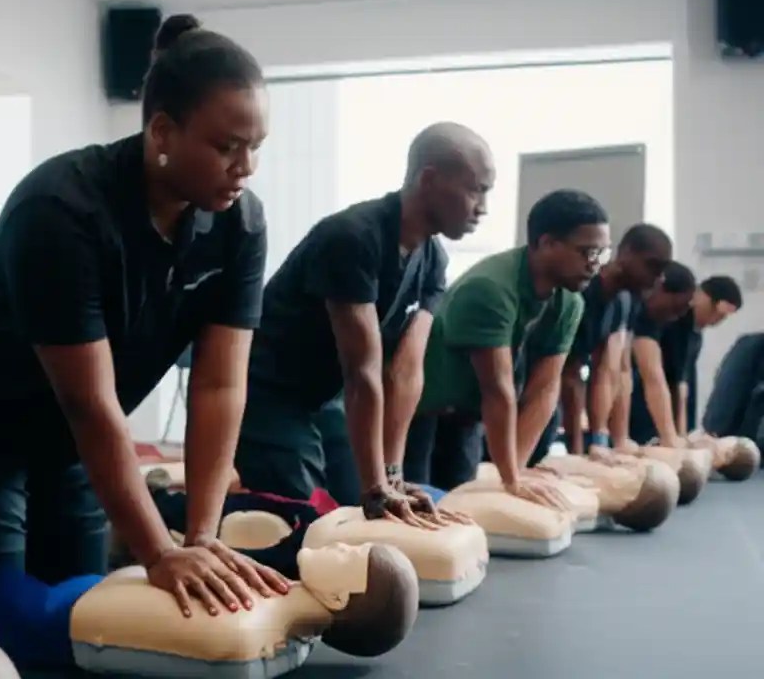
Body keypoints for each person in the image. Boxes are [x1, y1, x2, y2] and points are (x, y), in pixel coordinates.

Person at [0, 14, 291, 618]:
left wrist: (200, 537)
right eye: (226, 146)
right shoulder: (62, 209)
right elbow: (91, 404)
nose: (246, 167)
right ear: (162, 131)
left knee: (79, 605)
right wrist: (158, 552)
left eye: (255, 146)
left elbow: (218, 383)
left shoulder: (241, 223)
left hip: (67, 434)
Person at [232, 122, 493, 525]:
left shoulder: (433, 260)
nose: (483, 207)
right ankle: (172, 509)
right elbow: (364, 372)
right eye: (476, 189)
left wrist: (392, 476)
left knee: (358, 507)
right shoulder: (353, 238)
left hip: (325, 399)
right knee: (310, 519)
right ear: (429, 180)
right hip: (266, 393)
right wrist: (376, 489)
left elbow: (406, 372)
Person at [404, 189, 610, 507]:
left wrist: (516, 473)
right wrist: (511, 478)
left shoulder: (570, 302)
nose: (594, 265)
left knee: (466, 512)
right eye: (586, 252)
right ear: (546, 243)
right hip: (417, 415)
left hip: (467, 418)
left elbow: (545, 388)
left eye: (601, 253)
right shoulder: (490, 289)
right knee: (415, 512)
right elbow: (497, 389)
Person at [559, 224, 672, 455]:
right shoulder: (584, 293)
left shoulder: (624, 301)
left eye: (663, 270)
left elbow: (609, 370)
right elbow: (569, 375)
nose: (659, 278)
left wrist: (605, 440)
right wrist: (577, 453)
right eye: (653, 266)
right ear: (626, 253)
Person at [622, 266, 735, 447]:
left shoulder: (692, 332)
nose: (716, 321)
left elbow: (682, 384)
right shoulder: (670, 320)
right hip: (642, 405)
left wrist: (679, 436)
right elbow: (659, 379)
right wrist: (674, 438)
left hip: (657, 406)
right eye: (717, 314)